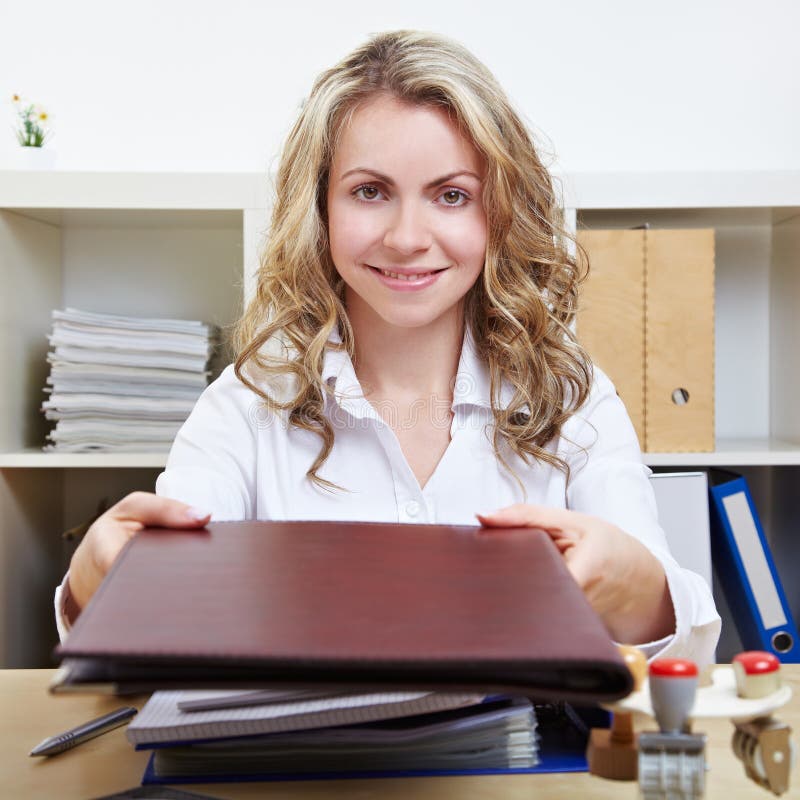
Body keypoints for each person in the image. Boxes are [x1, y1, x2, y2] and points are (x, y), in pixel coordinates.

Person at [55, 30, 720, 664]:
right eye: (370, 192)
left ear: (500, 212)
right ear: (320, 208)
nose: (407, 237)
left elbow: (687, 645)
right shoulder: (246, 404)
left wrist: (631, 585)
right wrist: (97, 579)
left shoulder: (574, 400)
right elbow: (144, 624)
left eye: (452, 195)